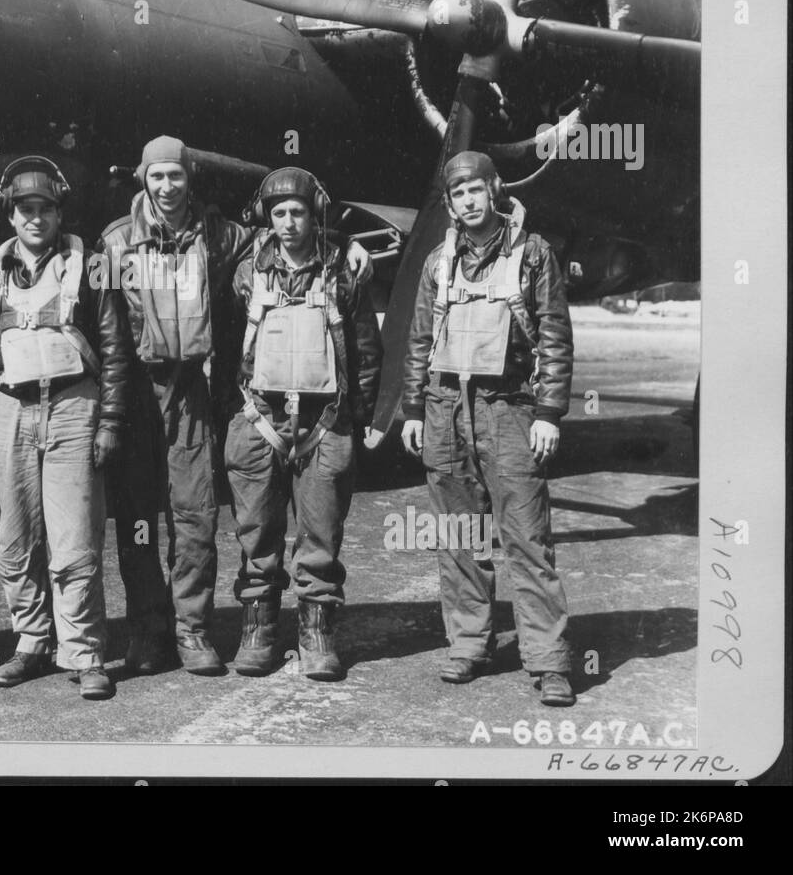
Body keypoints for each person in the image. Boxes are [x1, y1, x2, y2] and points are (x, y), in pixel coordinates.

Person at [99, 137, 371, 675]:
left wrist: (345, 240)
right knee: (136, 520)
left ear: (190, 178)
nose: (167, 187)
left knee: (195, 516)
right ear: (143, 180)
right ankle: (148, 632)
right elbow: (101, 319)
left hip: (190, 395)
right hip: (136, 392)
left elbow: (283, 230)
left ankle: (192, 631)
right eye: (157, 177)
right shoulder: (113, 244)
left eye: (176, 175)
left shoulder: (220, 237)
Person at [400, 150, 576, 707]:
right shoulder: (439, 262)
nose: (468, 201)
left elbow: (555, 335)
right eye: (458, 194)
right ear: (449, 203)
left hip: (510, 407)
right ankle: (470, 643)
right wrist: (412, 410)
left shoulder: (533, 253)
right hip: (446, 406)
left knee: (527, 538)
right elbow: (419, 340)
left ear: (494, 190)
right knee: (459, 537)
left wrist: (548, 413)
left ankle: (548, 660)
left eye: (475, 189)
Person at [0, 158, 128, 700]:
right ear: (11, 215)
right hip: (11, 409)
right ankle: (32, 641)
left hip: (72, 407)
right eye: (25, 210)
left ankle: (84, 653)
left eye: (45, 209)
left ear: (60, 212)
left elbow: (114, 346)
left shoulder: (94, 265)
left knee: (74, 540)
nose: (35, 218)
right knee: (15, 540)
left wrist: (110, 420)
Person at [224, 168, 382, 680]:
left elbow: (365, 349)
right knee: (256, 532)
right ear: (265, 217)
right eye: (279, 213)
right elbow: (225, 341)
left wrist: (362, 416)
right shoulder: (245, 271)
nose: (289, 222)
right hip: (259, 417)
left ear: (315, 216)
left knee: (321, 533)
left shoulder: (342, 272)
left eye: (298, 212)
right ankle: (259, 629)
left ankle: (317, 631)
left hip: (326, 420)